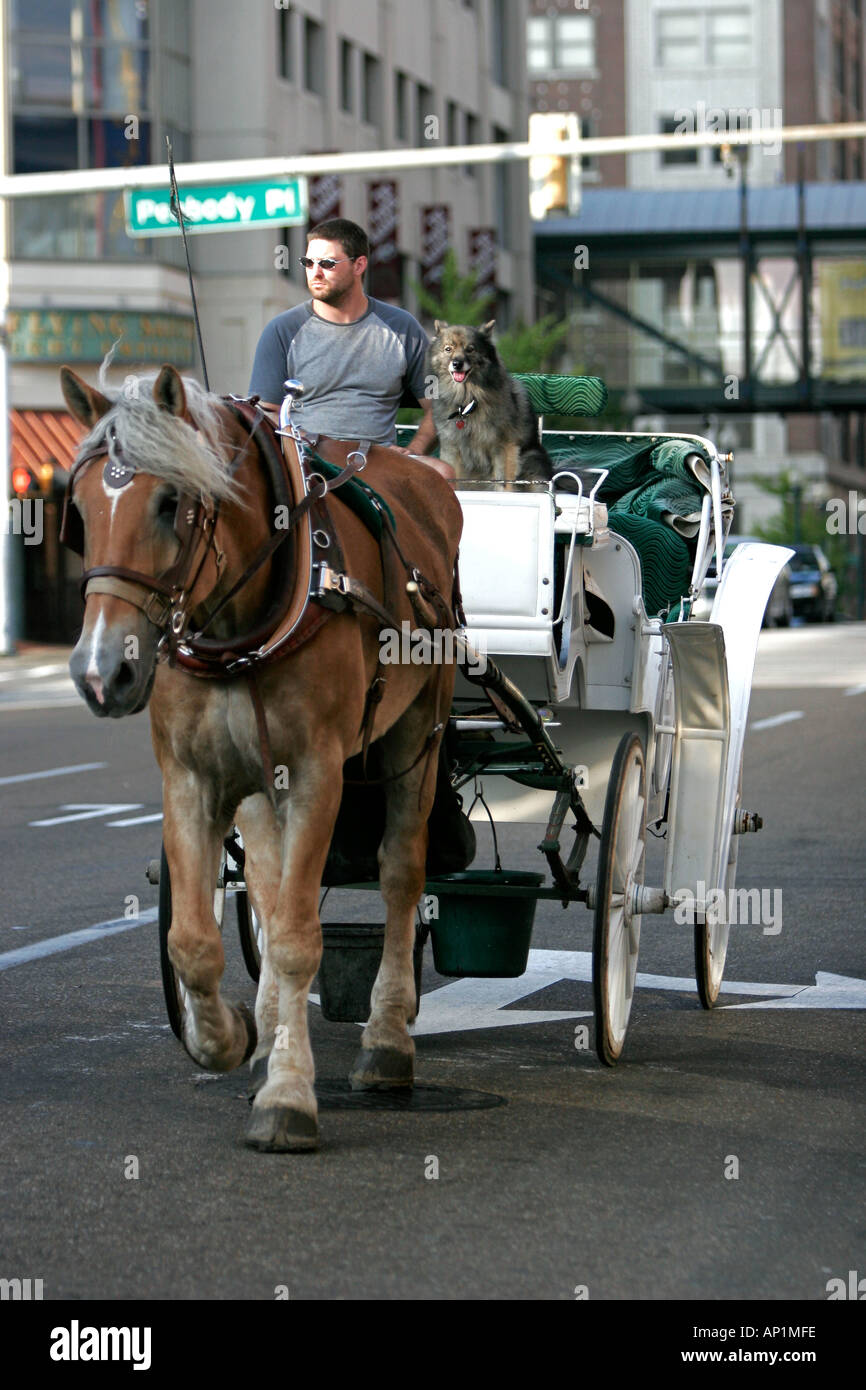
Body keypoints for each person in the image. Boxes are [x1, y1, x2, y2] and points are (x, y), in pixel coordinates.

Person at [249, 217, 451, 475]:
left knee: (443, 473)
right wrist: (299, 448)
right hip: (307, 461)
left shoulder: (402, 328)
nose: (315, 272)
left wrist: (414, 450)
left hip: (379, 461)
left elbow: (439, 406)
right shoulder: (282, 330)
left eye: (327, 264)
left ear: (359, 265)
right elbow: (267, 414)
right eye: (308, 263)